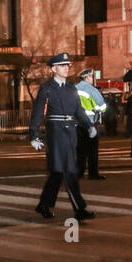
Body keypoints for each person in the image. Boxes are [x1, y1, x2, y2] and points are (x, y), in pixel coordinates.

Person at [28, 53, 96, 220]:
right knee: (70, 170)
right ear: (53, 68)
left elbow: (78, 110)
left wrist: (89, 125)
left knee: (58, 171)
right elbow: (37, 112)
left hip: (71, 131)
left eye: (67, 65)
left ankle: (44, 204)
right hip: (56, 132)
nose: (67, 67)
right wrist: (34, 134)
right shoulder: (47, 88)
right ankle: (80, 209)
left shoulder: (71, 88)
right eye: (62, 65)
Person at [74, 68, 108, 180]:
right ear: (88, 77)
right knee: (92, 150)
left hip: (77, 124)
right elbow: (101, 107)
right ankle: (93, 173)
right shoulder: (91, 90)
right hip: (90, 123)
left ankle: (79, 172)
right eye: (92, 77)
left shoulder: (74, 89)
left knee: (80, 150)